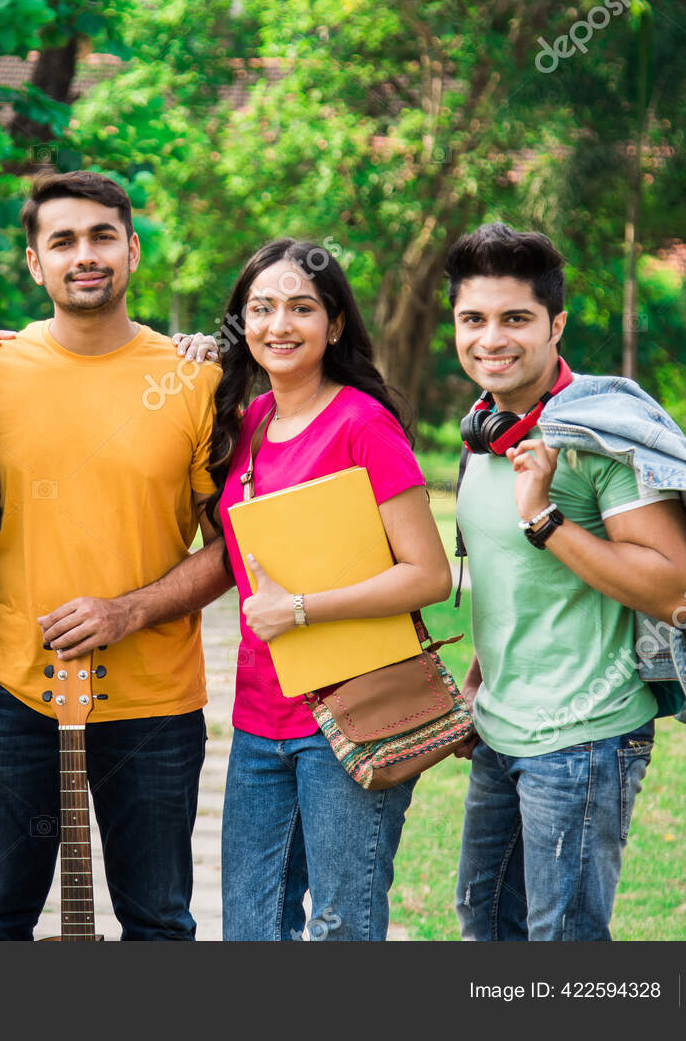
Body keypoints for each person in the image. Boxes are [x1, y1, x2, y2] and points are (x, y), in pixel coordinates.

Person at [446, 222, 686, 943]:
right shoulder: (486, 431)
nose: (492, 339)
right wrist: (480, 682)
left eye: (516, 318)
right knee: (485, 928)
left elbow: (672, 587)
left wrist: (546, 519)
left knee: (564, 943)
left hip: (582, 740)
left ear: (557, 324)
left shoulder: (596, 438)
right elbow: (514, 587)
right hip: (501, 734)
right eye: (473, 319)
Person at [0, 169, 226, 941]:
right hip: (13, 688)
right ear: (34, 263)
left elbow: (233, 548)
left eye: (103, 236)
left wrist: (129, 609)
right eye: (62, 240)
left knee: (158, 923)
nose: (86, 254)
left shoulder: (196, 378)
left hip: (155, 700)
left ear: (133, 250)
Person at [195, 238, 454, 941]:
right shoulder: (245, 424)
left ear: (333, 324)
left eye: (301, 308)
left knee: (343, 923)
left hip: (354, 709)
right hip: (259, 717)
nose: (280, 325)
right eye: (262, 309)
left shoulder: (363, 424)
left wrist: (302, 609)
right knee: (251, 927)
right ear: (242, 324)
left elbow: (428, 575)